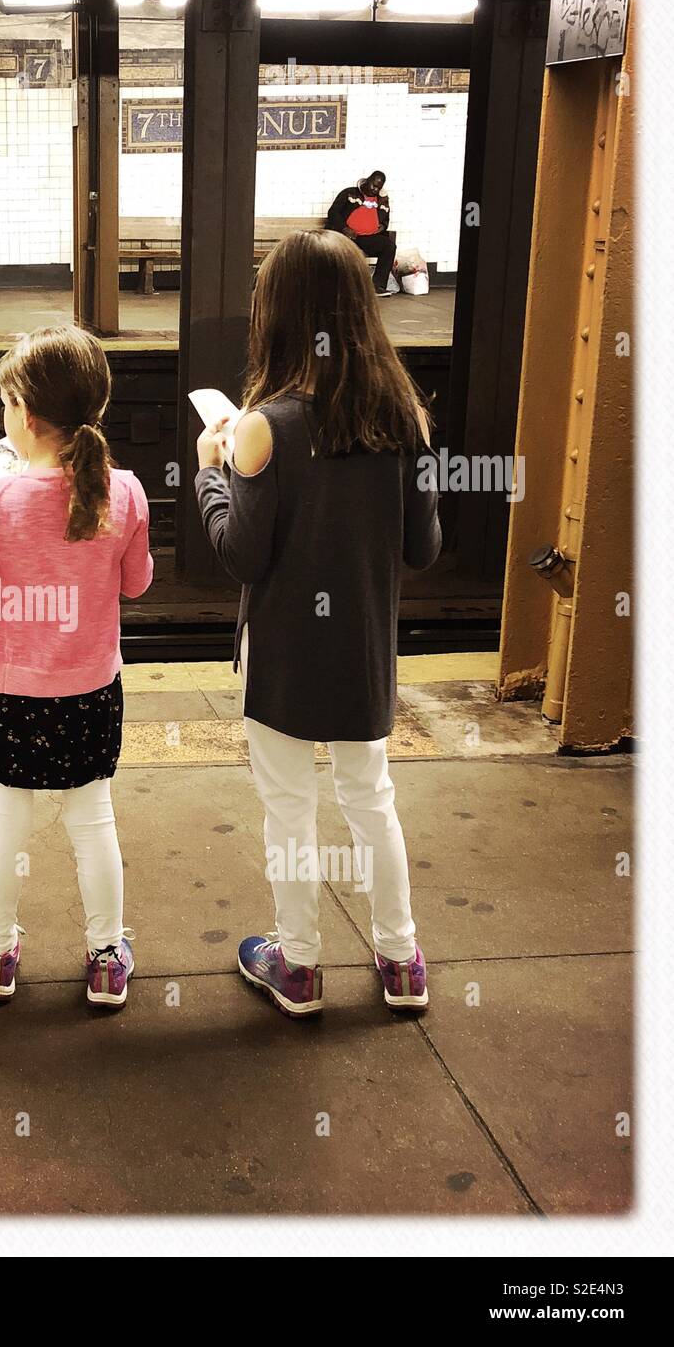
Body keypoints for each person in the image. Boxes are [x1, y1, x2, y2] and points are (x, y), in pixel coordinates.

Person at [194, 229, 441, 1018]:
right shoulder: (406, 415)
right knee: (373, 799)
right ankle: (401, 962)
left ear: (278, 316)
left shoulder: (265, 425)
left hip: (285, 662)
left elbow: (241, 556)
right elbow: (423, 547)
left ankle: (297, 967)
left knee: (289, 810)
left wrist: (213, 472)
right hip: (364, 652)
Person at [0, 325, 154, 1007]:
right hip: (90, 691)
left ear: (27, 417)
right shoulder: (123, 492)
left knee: (4, 827)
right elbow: (136, 584)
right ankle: (104, 959)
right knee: (93, 823)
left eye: (5, 404)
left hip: (9, 696)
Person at [326, 169, 397, 296]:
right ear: (367, 180)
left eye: (378, 188)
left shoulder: (381, 200)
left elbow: (385, 218)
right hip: (347, 236)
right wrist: (344, 228)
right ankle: (338, 288)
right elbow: (333, 212)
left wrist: (383, 226)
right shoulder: (350, 193)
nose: (375, 189)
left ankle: (378, 286)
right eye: (373, 185)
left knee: (389, 246)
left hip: (368, 238)